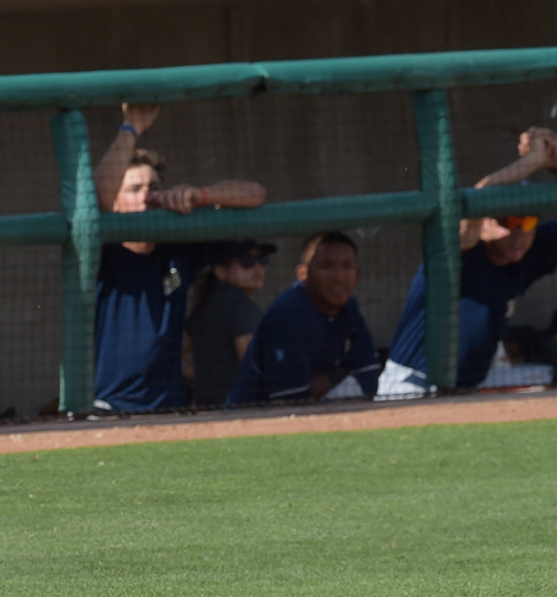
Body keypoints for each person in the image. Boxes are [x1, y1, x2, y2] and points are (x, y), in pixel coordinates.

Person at [382, 126, 557, 396]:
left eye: (526, 221)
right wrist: (532, 161)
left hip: (465, 390)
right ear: (484, 224)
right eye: (507, 221)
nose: (518, 233)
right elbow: (478, 196)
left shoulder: (529, 248)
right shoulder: (463, 251)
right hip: (411, 384)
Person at [92, 103, 266, 411]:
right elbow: (99, 194)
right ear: (116, 203)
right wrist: (131, 126)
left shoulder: (178, 250)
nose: (147, 195)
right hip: (109, 406)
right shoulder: (105, 250)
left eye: (154, 187)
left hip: (170, 407)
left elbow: (256, 194)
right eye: (135, 189)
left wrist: (201, 196)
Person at [228, 232, 380, 403]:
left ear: (357, 274)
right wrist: (342, 371)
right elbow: (291, 397)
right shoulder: (289, 313)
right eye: (326, 266)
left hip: (315, 410)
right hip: (252, 419)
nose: (339, 277)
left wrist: (326, 380)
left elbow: (369, 378)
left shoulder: (349, 307)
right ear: (303, 274)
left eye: (347, 266)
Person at [183, 240, 274, 406]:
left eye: (262, 260)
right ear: (221, 271)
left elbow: (179, 356)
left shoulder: (204, 304)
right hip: (238, 410)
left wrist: (206, 379)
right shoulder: (242, 306)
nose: (257, 268)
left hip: (205, 409)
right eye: (246, 262)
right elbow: (253, 365)